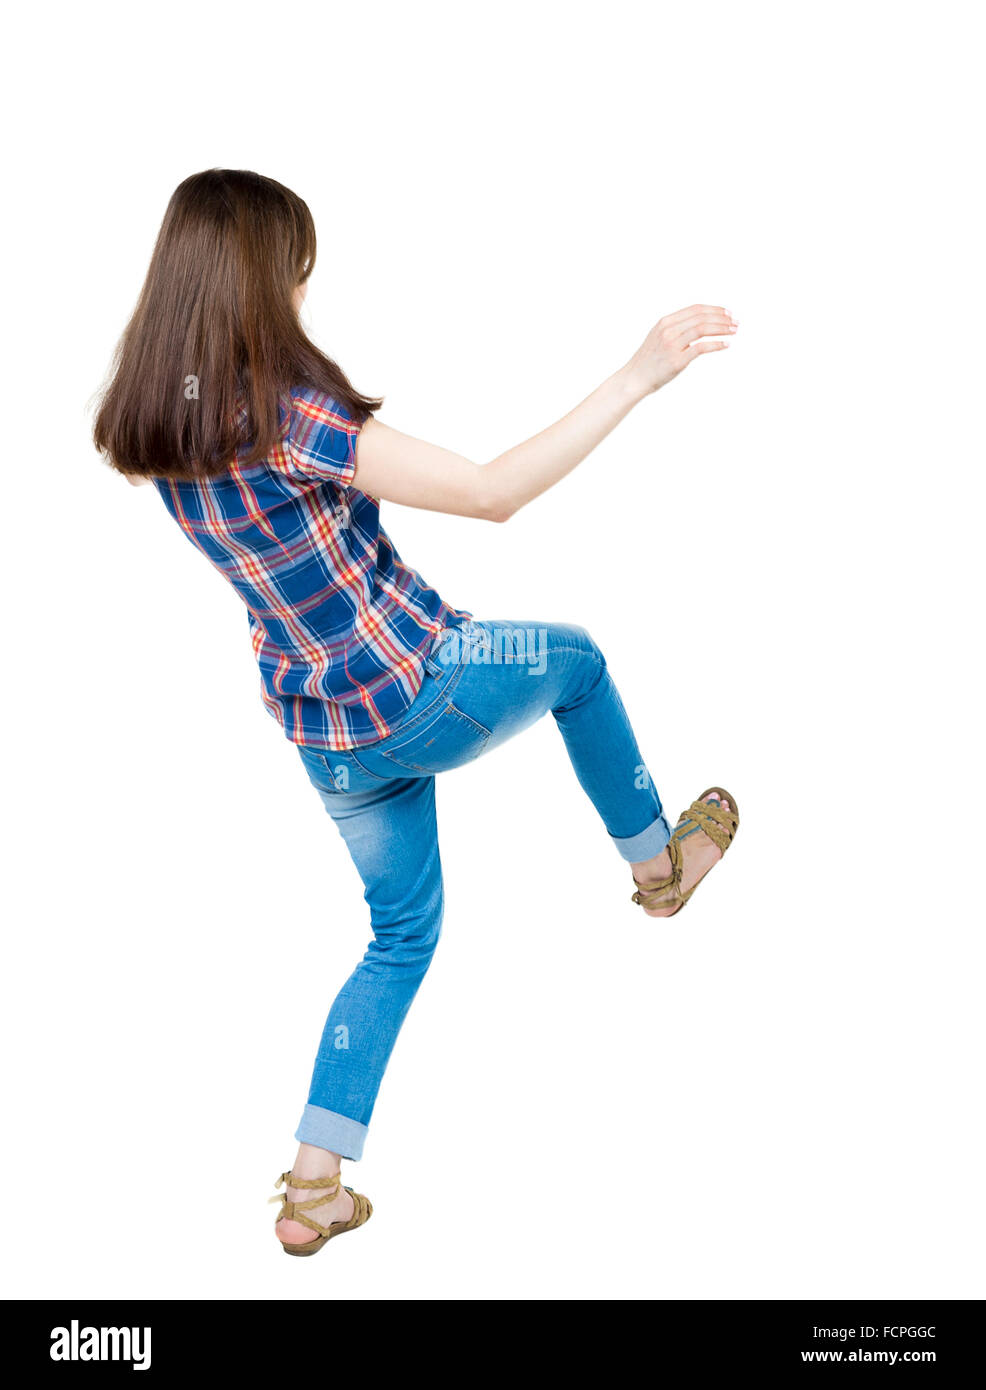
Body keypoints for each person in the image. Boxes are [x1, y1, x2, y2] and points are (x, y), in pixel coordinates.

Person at [93, 168, 741, 1257]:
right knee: (573, 660)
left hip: (322, 734)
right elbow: (491, 492)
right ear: (260, 280)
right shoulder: (291, 418)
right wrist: (636, 376)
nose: (301, 294)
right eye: (293, 273)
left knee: (399, 938)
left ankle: (314, 1187)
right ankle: (655, 870)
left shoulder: (161, 427)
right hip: (421, 686)